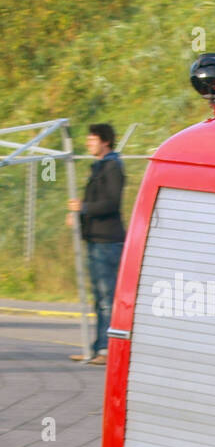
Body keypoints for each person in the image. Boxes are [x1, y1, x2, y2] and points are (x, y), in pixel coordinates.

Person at [67, 123, 126, 365]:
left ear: (105, 141)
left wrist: (84, 208)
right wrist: (80, 213)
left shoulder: (112, 166)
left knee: (106, 297)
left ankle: (105, 349)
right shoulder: (100, 166)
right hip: (95, 238)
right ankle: (97, 347)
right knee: (98, 297)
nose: (88, 143)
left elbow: (111, 203)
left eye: (92, 139)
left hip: (107, 240)